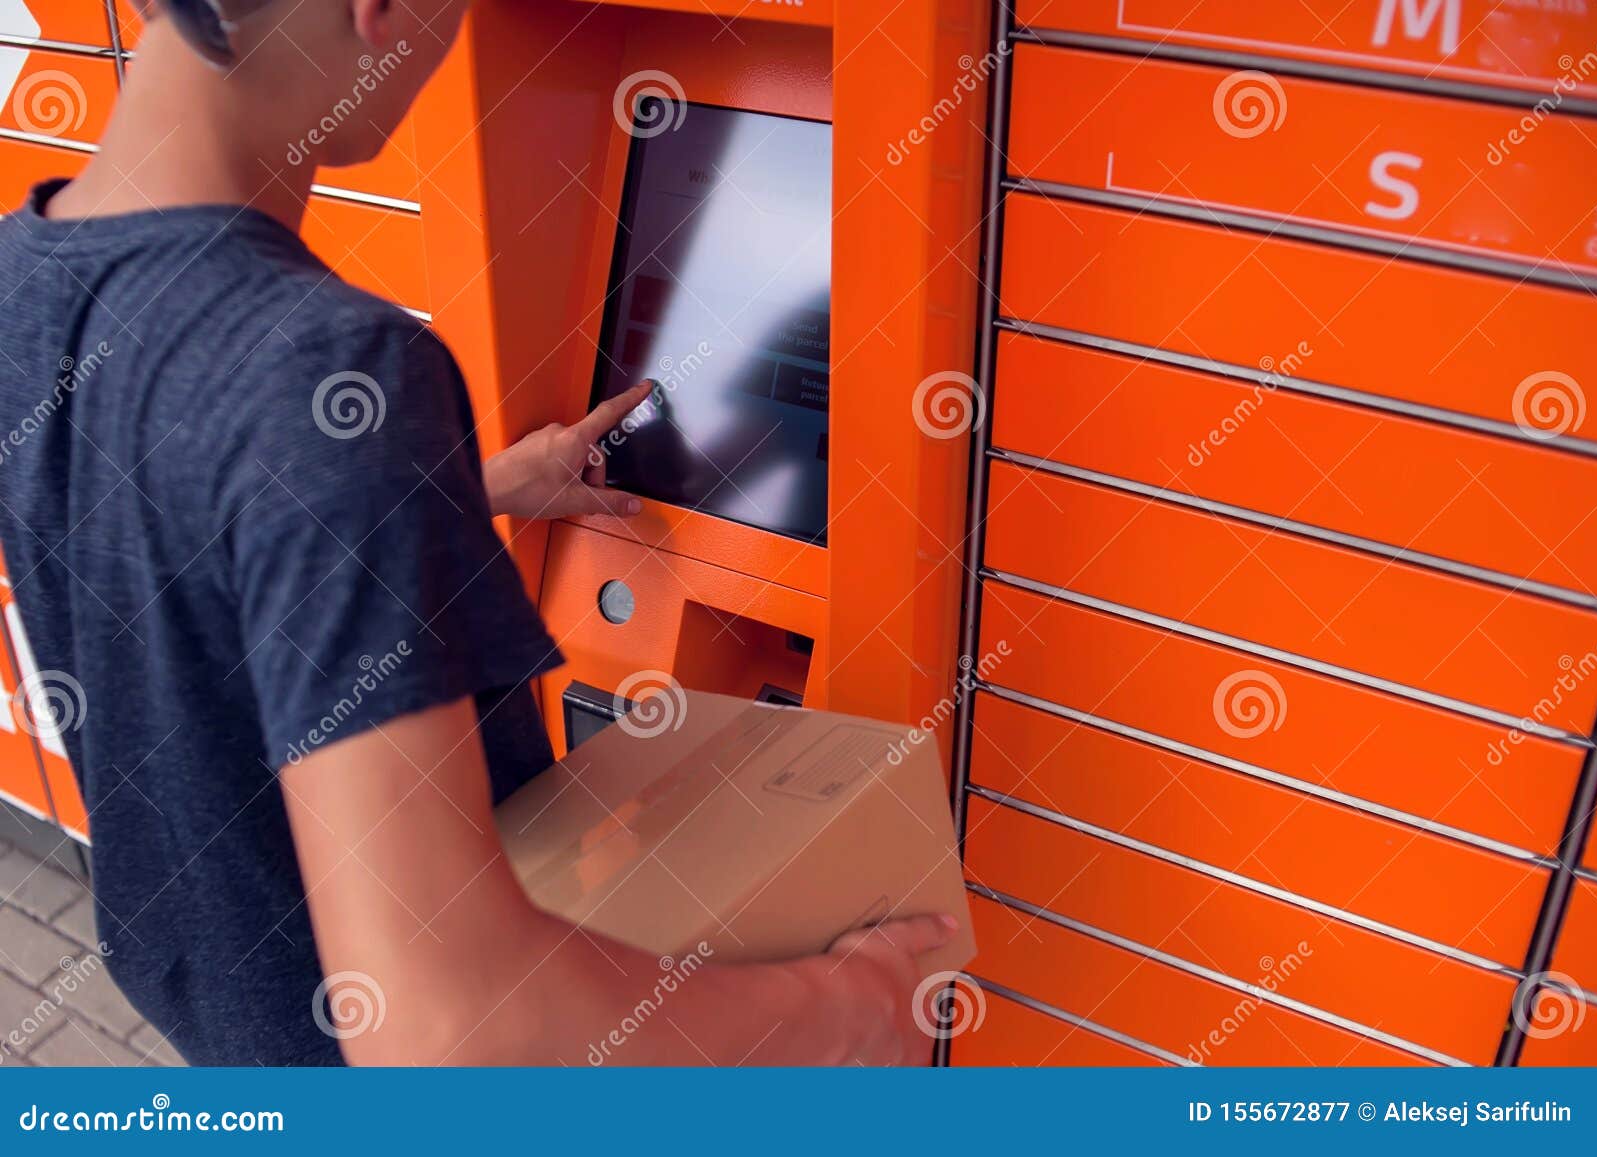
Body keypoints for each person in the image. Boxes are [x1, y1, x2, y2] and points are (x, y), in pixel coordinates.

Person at [0, 0, 952, 1065]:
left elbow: (187, 529)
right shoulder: (326, 365)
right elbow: (461, 1030)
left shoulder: (26, 272)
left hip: (226, 1021)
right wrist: (849, 999)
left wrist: (450, 493)